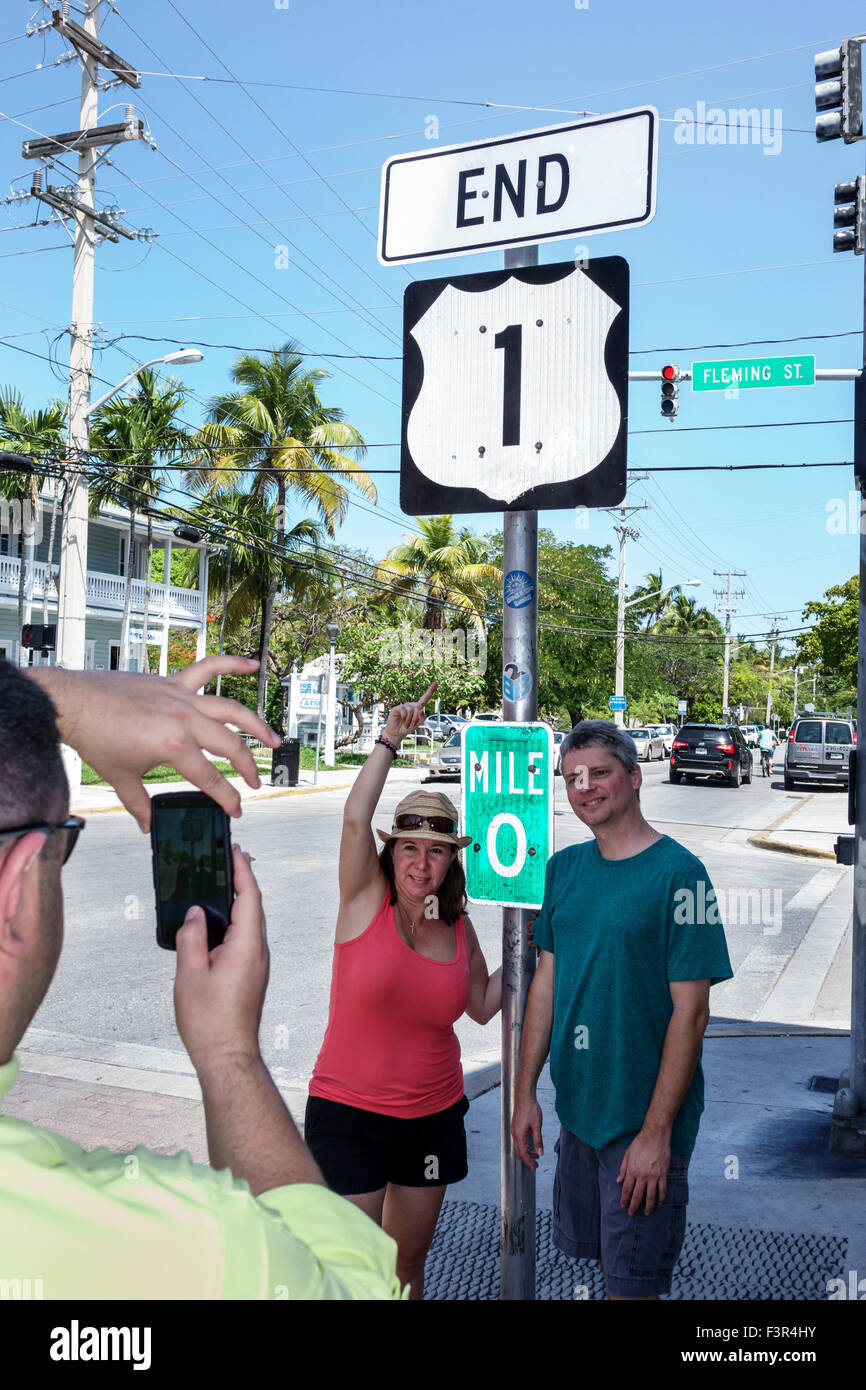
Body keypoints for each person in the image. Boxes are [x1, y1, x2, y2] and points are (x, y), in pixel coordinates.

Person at [0, 655, 404, 1299]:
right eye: (64, 843)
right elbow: (349, 1282)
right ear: (14, 884)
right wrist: (229, 1054)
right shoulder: (186, 1249)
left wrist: (52, 699)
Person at [511, 720, 732, 1301]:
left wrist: (657, 1135)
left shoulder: (682, 876)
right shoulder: (563, 870)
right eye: (572, 777)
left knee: (632, 1289)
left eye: (600, 773)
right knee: (603, 1272)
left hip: (643, 1126)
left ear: (635, 777)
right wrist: (525, 1092)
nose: (585, 787)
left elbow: (693, 1015)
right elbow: (546, 984)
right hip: (578, 1119)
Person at [305, 681, 501, 1299]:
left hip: (432, 1119)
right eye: (410, 848)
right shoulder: (364, 900)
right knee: (356, 1270)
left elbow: (483, 1008)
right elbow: (354, 817)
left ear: (451, 861)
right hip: (348, 1115)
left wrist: (542, 950)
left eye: (437, 852)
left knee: (405, 1267)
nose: (422, 863)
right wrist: (390, 737)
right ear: (392, 854)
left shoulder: (459, 926)